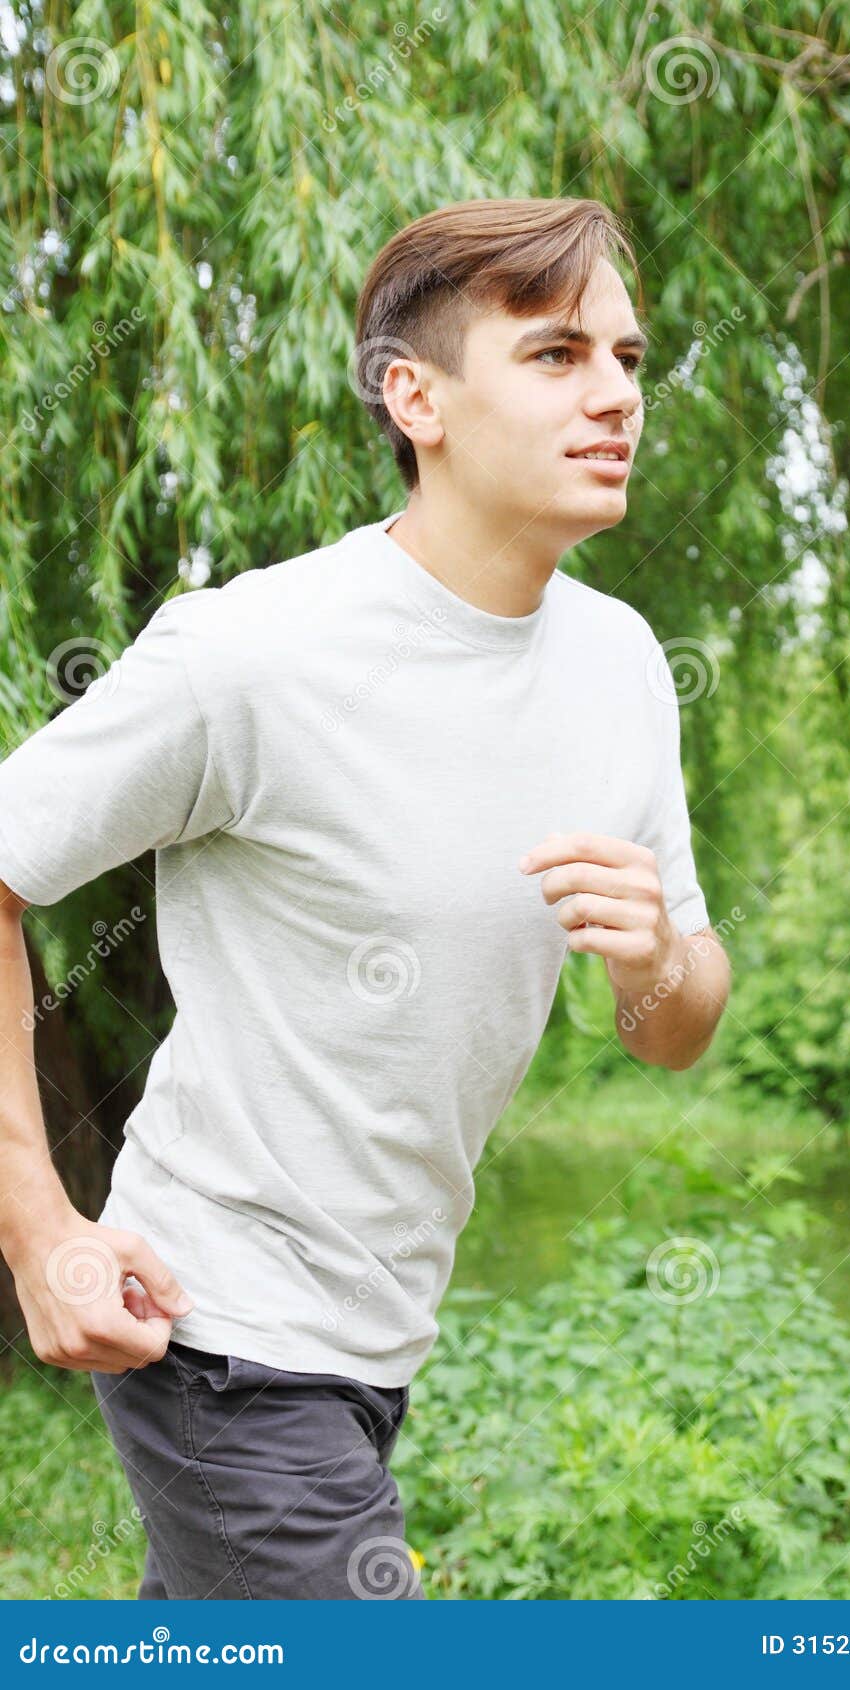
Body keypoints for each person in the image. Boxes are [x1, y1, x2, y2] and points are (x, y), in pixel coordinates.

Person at [0, 196, 731, 1600]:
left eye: (632, 358)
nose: (620, 395)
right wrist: (41, 1232)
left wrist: (658, 961)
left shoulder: (625, 665)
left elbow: (677, 1025)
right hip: (219, 1328)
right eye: (560, 354)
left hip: (377, 1344)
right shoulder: (253, 654)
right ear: (418, 396)